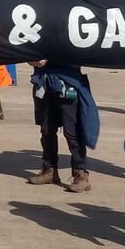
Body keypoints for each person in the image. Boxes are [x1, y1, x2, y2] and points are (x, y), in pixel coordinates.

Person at [27, 56, 98, 193]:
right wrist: (31, 58)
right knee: (46, 129)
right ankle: (49, 170)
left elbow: (77, 50)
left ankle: (81, 173)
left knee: (72, 131)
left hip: (68, 81)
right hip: (43, 80)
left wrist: (52, 60)